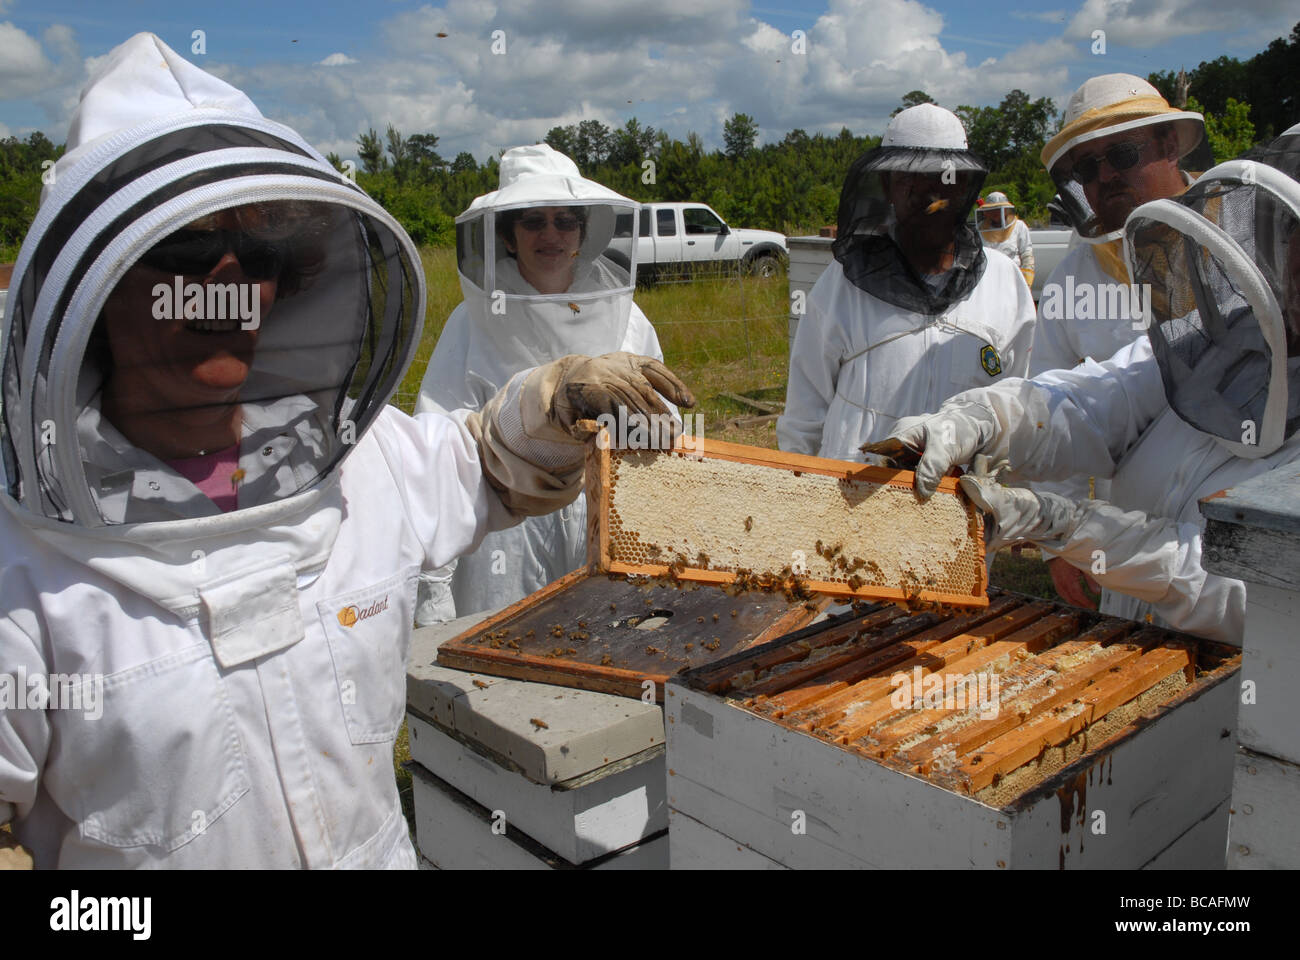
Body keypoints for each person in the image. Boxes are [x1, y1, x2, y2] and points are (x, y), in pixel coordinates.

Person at [0, 33, 692, 869]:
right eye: (180, 248)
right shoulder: (24, 570)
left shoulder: (359, 459)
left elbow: (483, 463)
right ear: (95, 276)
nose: (225, 280)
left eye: (257, 252)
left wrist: (554, 400)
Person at [866, 125, 1300, 645]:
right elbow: (1095, 400)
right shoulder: (1226, 340)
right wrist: (983, 420)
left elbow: (1248, 593)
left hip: (1239, 689)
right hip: (1132, 633)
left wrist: (1069, 526)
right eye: (1290, 237)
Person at [413, 146, 666, 624]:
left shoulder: (627, 317)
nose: (551, 234)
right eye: (533, 222)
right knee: (503, 659)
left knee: (604, 646)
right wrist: (433, 585)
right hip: (505, 531)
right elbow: (437, 451)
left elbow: (661, 425)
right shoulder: (471, 322)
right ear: (507, 237)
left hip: (607, 517)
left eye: (565, 221)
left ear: (582, 233)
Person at [1027, 74, 1209, 607]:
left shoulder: (1240, 244)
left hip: (1230, 527)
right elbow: (1047, 409)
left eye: (1123, 153)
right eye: (1087, 166)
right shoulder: (1071, 281)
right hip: (1123, 536)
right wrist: (1056, 540)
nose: (1104, 176)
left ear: (1169, 147)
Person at [777, 103, 1036, 461]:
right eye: (910, 180)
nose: (929, 194)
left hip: (956, 504)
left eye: (943, 178)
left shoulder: (1004, 281)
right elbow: (803, 418)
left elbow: (1019, 408)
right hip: (851, 497)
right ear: (887, 185)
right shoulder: (840, 284)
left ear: (964, 185)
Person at [977, 191, 1035, 288]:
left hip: (1012, 280)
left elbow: (1027, 255)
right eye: (991, 210)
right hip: (988, 280)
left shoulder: (1019, 226)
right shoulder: (979, 229)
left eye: (998, 209)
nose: (995, 213)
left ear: (1006, 210)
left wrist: (1026, 283)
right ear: (986, 212)